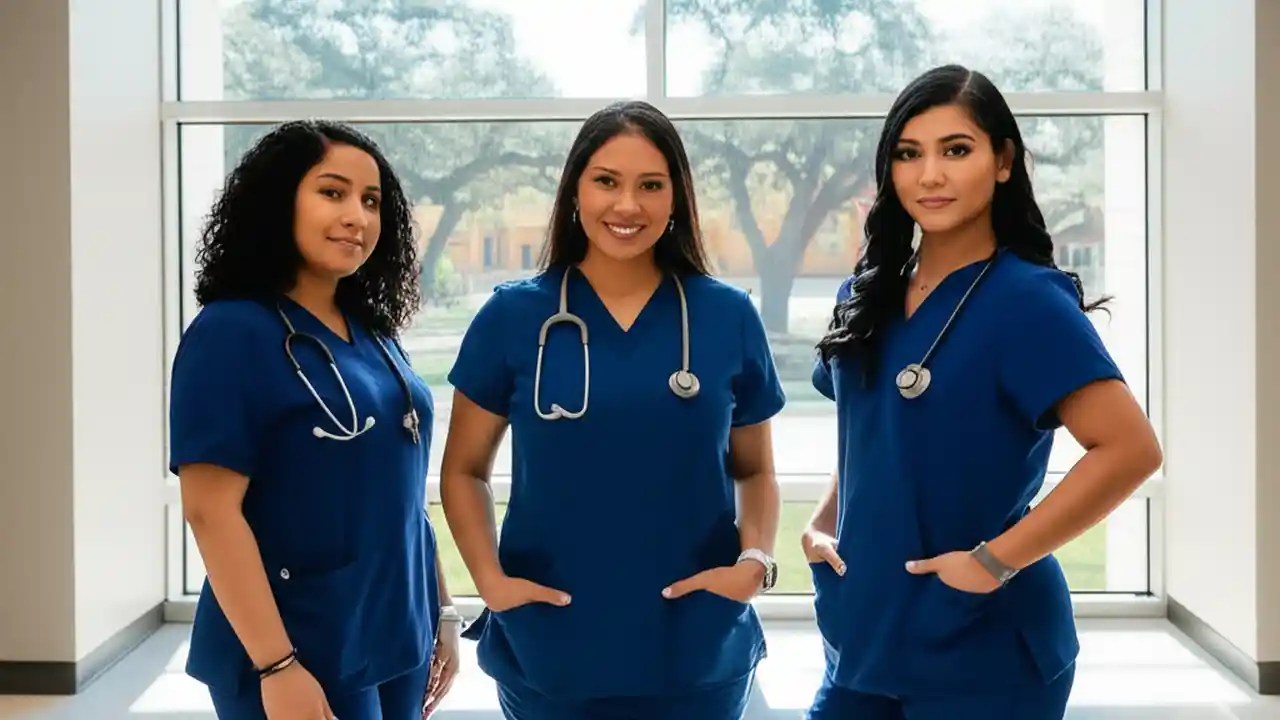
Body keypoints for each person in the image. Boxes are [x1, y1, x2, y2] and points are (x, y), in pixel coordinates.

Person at [802, 65, 1163, 719]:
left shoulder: (1027, 301)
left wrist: (993, 563)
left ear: (1003, 162)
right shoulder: (864, 296)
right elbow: (870, 432)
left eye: (956, 150)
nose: (930, 175)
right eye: (909, 154)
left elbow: (1130, 449)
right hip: (864, 637)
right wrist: (824, 523)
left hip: (982, 648)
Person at [439, 100, 785, 719]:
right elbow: (463, 469)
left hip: (695, 648)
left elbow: (755, 470)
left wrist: (755, 562)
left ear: (676, 197)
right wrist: (489, 582)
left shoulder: (727, 316)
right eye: (606, 181)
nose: (627, 206)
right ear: (575, 189)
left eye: (651, 185)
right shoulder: (512, 318)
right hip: (553, 649)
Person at [169, 120, 462, 720]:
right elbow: (210, 510)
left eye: (371, 200)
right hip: (298, 642)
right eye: (332, 192)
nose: (357, 215)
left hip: (396, 631)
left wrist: (443, 608)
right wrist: (276, 666)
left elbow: (401, 489)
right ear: (280, 201)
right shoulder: (231, 333)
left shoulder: (374, 334)